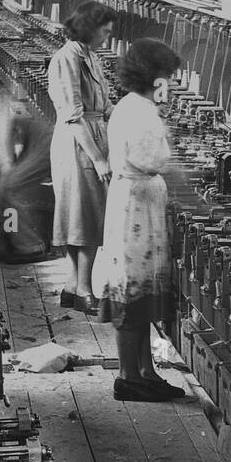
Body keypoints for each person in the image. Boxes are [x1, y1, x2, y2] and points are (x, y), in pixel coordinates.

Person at [101, 38, 186, 403]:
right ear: (155, 76)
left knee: (142, 292)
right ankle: (127, 377)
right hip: (135, 207)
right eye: (169, 75)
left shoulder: (135, 106)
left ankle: (146, 371)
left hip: (139, 205)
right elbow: (152, 159)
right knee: (132, 292)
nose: (172, 83)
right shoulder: (141, 112)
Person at [47, 1, 115, 310]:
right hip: (78, 141)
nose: (107, 37)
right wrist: (99, 159)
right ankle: (85, 289)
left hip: (92, 135)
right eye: (105, 31)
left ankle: (73, 287)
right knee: (86, 216)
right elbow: (73, 116)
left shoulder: (90, 57)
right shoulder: (67, 59)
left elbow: (104, 105)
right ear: (90, 28)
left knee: (80, 215)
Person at [0, 100, 55, 264]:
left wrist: (10, 163)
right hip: (36, 142)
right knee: (4, 187)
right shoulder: (11, 107)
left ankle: (31, 246)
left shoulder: (8, 110)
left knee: (10, 188)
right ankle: (12, 239)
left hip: (45, 144)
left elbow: (9, 138)